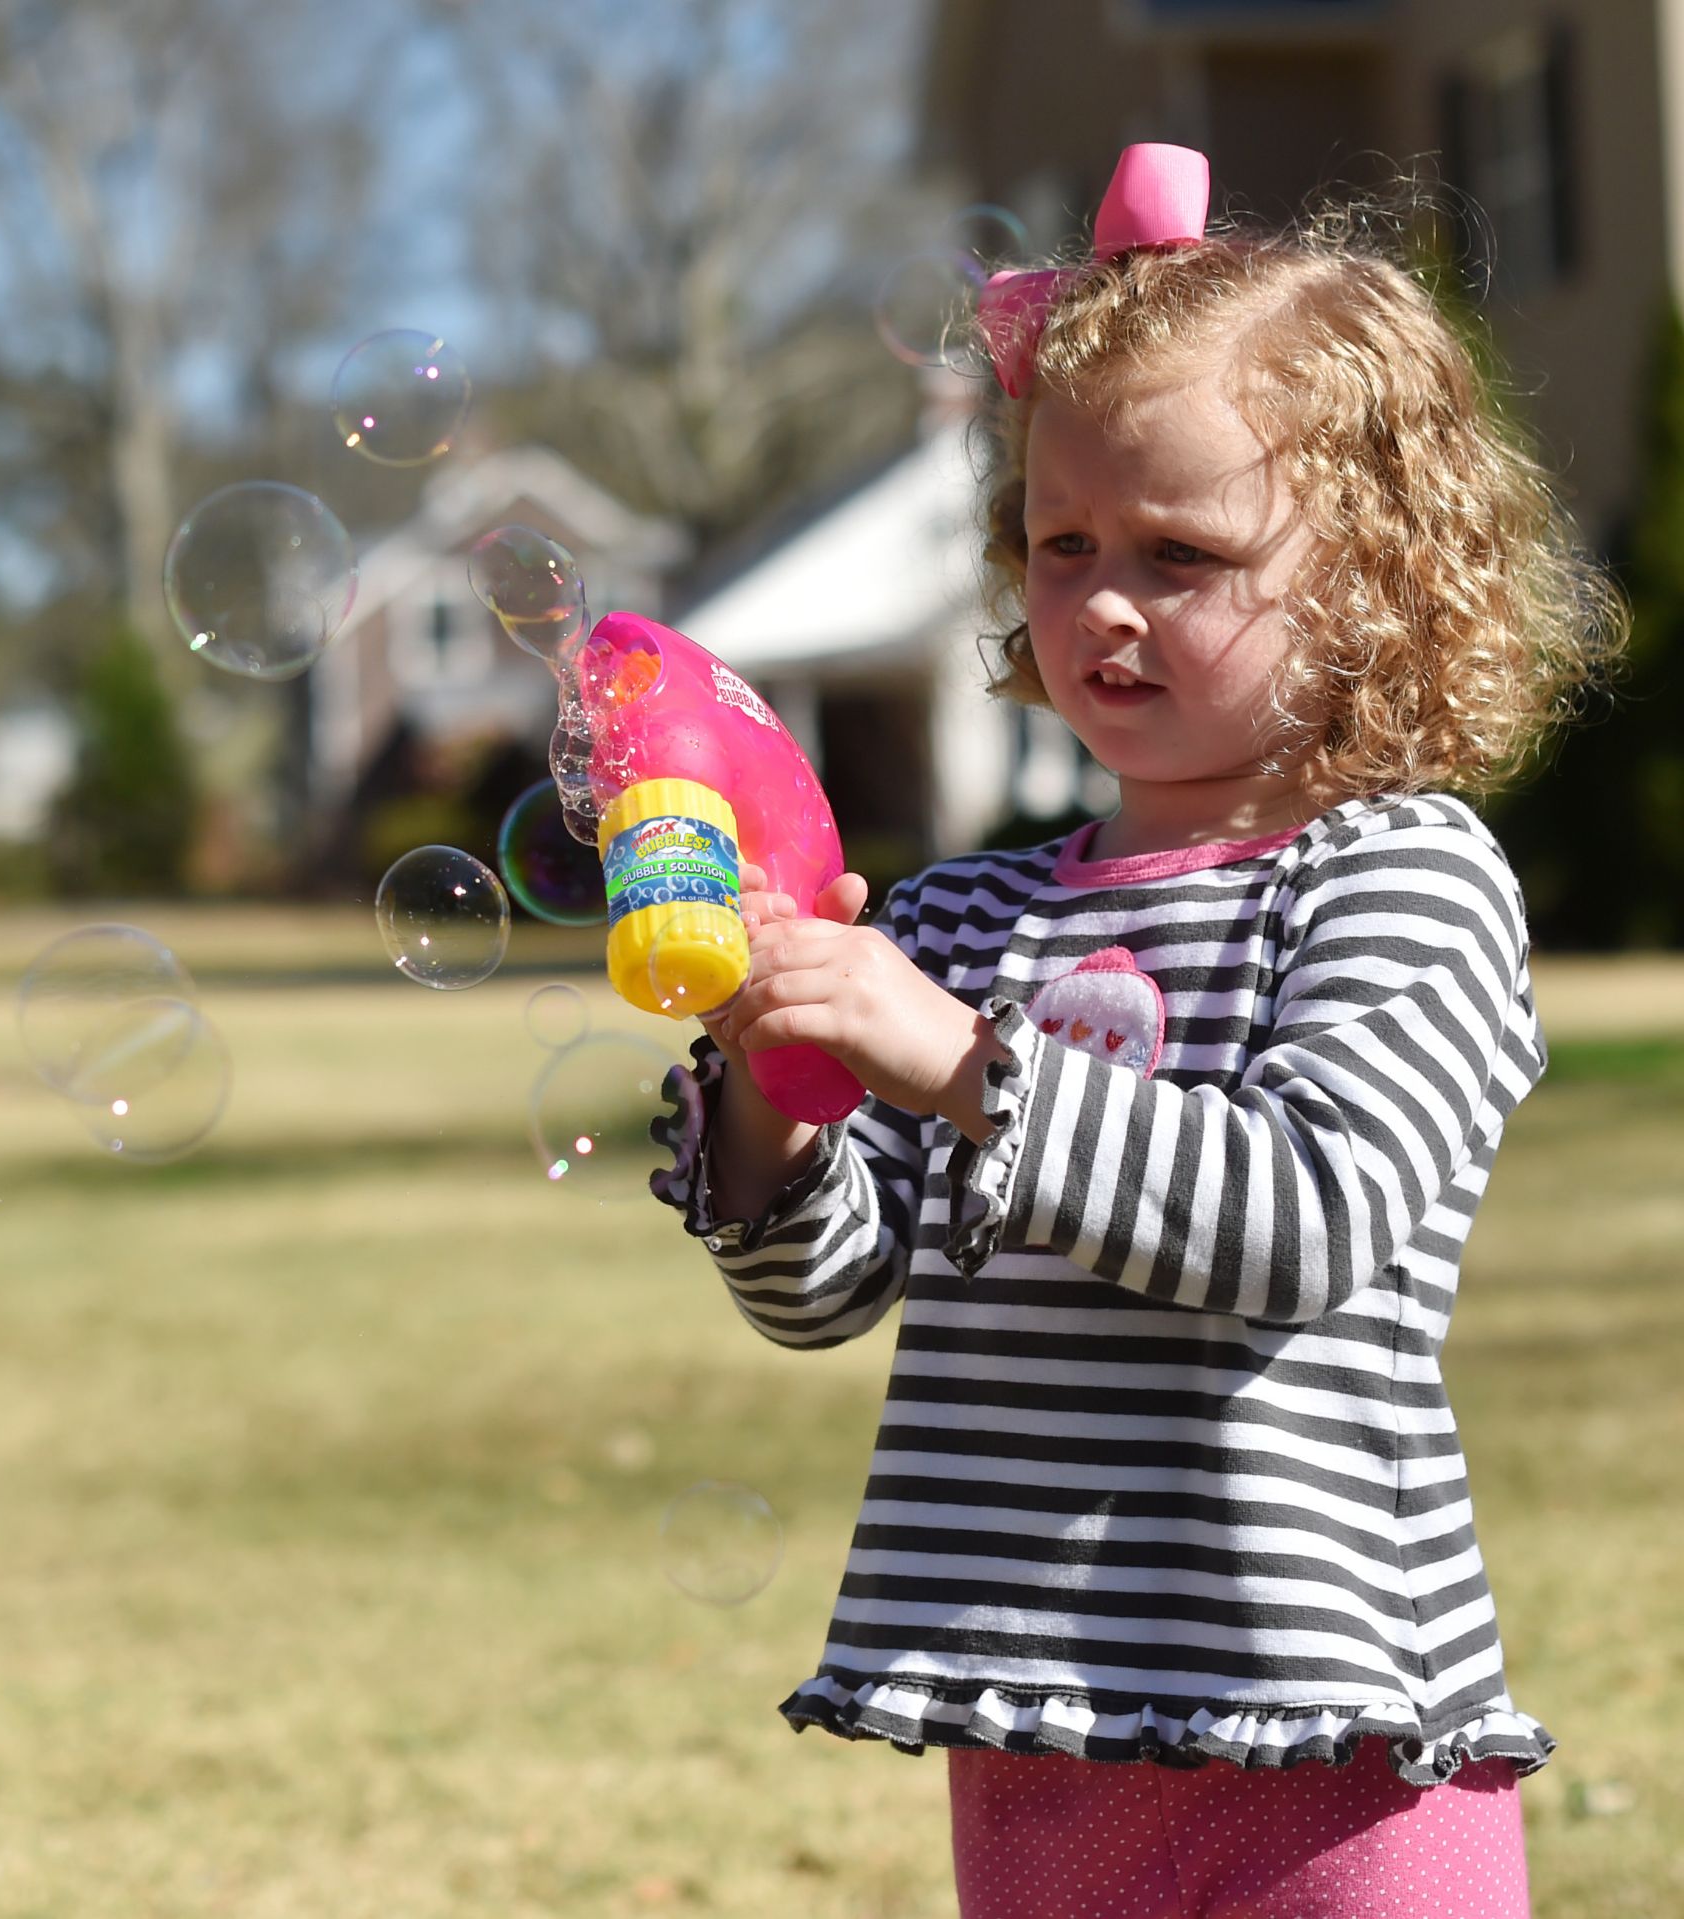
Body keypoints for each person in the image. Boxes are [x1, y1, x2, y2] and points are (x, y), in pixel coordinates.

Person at [648, 144, 1625, 1919]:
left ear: (1375, 584)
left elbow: (1304, 1224)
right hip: (1027, 1712)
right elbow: (824, 1294)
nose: (1100, 599)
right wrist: (771, 1078)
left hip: (1327, 1732)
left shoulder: (1398, 875)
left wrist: (949, 1056)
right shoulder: (961, 921)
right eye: (1061, 541)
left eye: (1180, 554)